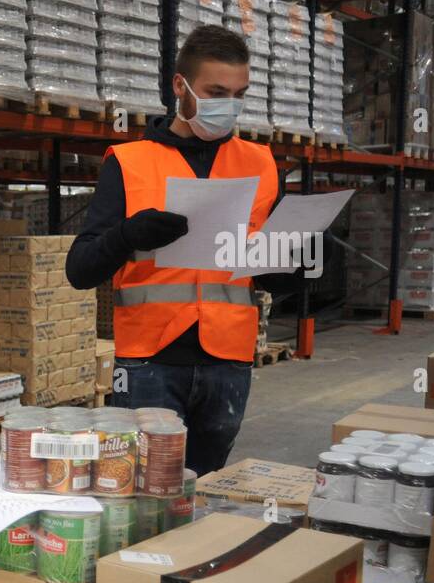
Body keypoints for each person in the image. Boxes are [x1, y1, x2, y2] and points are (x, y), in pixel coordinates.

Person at [67, 25, 299, 475]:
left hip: (228, 363)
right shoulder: (129, 163)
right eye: (215, 91)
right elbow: (80, 270)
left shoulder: (260, 164)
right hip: (148, 362)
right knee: (142, 490)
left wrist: (301, 258)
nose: (228, 104)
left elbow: (276, 278)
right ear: (180, 86)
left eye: (238, 93)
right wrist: (128, 235)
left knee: (207, 488)